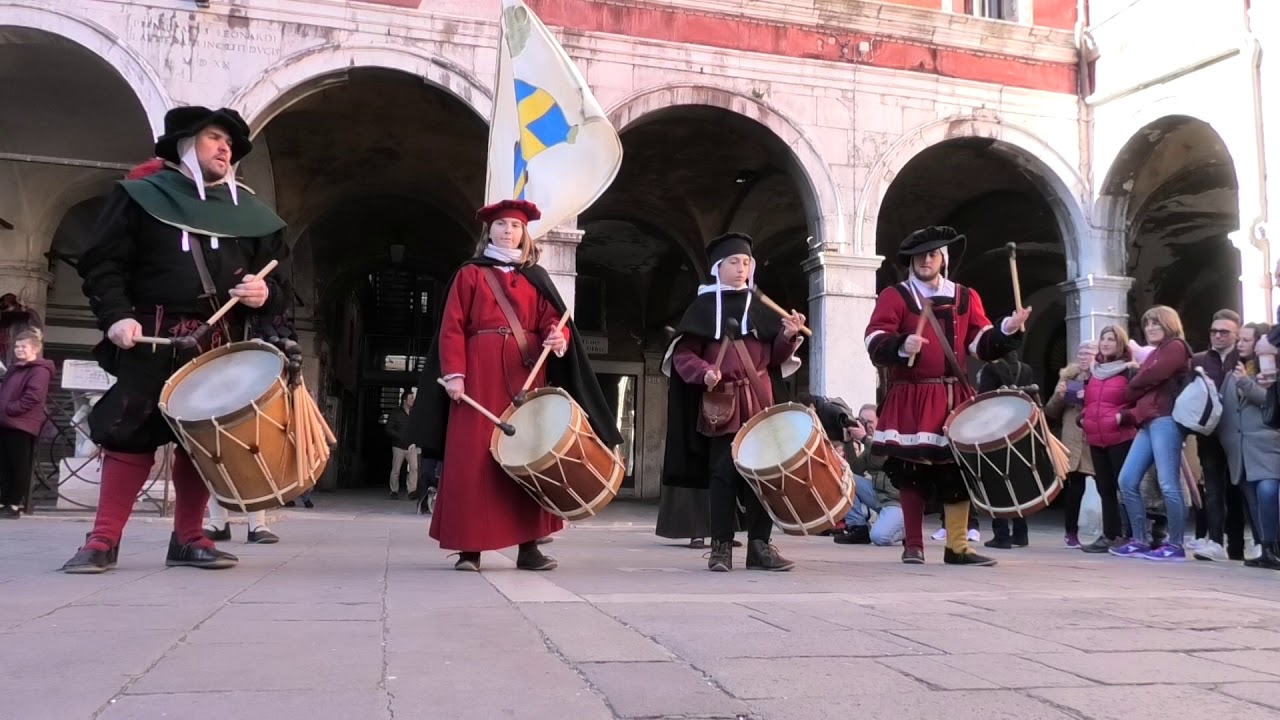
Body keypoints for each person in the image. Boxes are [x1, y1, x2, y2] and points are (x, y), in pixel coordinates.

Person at [59, 106, 297, 573]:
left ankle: (190, 538)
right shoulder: (139, 197)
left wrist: (264, 292)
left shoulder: (249, 211)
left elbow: (282, 284)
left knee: (205, 441)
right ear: (186, 144)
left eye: (229, 142)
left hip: (220, 342)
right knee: (128, 433)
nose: (224, 147)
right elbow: (104, 265)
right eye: (213, 138)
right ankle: (103, 539)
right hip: (151, 335)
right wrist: (116, 317)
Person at [407, 199, 621, 572]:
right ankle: (469, 549)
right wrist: (455, 374)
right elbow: (453, 327)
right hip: (477, 375)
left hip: (526, 373)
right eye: (502, 225)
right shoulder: (470, 274)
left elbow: (554, 323)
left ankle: (529, 547)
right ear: (489, 230)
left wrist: (558, 339)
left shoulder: (536, 276)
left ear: (525, 234)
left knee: (528, 456)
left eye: (516, 226)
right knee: (473, 457)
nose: (509, 231)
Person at [864, 226, 1029, 566]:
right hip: (912, 395)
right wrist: (900, 345)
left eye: (934, 254)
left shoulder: (965, 296)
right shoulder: (896, 296)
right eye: (921, 255)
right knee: (912, 472)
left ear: (943, 259)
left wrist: (1007, 330)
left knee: (959, 471)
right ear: (911, 261)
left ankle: (958, 546)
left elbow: (980, 345)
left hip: (954, 396)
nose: (927, 259)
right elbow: (874, 337)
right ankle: (913, 546)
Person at [661, 232, 805, 572]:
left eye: (745, 263)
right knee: (723, 475)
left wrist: (787, 335)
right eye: (733, 263)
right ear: (717, 268)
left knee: (762, 477)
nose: (741, 269)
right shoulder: (703, 307)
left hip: (758, 400)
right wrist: (704, 372)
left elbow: (773, 357)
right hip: (721, 404)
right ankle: (721, 547)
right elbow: (683, 355)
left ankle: (759, 546)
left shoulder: (760, 306)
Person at [1110, 306, 1193, 561]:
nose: (1150, 328)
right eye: (1147, 324)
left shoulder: (1176, 347)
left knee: (1168, 483)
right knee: (1126, 480)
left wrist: (1137, 381)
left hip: (1165, 419)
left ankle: (1176, 545)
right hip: (1148, 420)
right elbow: (1142, 384)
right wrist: (1139, 383)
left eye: (1156, 323)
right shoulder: (1155, 353)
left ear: (1169, 324)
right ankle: (1139, 539)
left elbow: (1153, 376)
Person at [1217, 322, 1280, 569]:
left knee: (1267, 491)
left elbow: (1270, 401)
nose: (1240, 344)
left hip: (1267, 445)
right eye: (1240, 339)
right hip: (1240, 449)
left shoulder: (1269, 369)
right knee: (1252, 499)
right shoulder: (1237, 370)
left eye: (1246, 339)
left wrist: (1245, 383)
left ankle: (1273, 546)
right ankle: (1265, 548)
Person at [1188, 309, 1247, 561]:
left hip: (1238, 433)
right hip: (1209, 435)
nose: (1218, 335)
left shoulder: (1245, 357)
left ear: (1236, 334)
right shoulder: (1199, 360)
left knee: (1238, 489)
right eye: (1214, 331)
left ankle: (1237, 545)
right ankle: (1214, 541)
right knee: (1213, 488)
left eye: (1224, 331)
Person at [1078, 326, 1138, 552]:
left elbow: (1136, 404)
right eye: (1103, 339)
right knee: (1105, 488)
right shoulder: (1094, 371)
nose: (1105, 343)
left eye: (1111, 339)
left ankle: (1133, 534)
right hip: (1096, 437)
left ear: (1120, 343)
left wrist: (1121, 417)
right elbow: (1090, 403)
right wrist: (1083, 419)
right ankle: (1109, 534)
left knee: (1126, 487)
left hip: (1120, 437)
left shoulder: (1129, 372)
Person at [976, 350, 1036, 550]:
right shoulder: (1025, 369)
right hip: (1019, 428)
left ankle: (1001, 535)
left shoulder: (990, 369)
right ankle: (1021, 534)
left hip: (996, 430)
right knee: (1019, 482)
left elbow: (984, 401)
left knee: (997, 483)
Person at [1043, 341, 1098, 549]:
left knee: (1106, 485)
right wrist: (1059, 395)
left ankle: (1114, 531)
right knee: (1075, 487)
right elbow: (1050, 411)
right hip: (1074, 438)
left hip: (1095, 434)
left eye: (1089, 353)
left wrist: (1090, 396)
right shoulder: (1068, 377)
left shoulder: (1102, 376)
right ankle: (1071, 532)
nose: (1085, 357)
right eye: (1081, 353)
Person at [0, 329, 53, 517]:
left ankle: (14, 504)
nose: (19, 349)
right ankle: (3, 502)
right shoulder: (16, 369)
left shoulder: (39, 370)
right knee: (5, 464)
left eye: (23, 346)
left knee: (18, 464)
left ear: (35, 349)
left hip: (21, 423)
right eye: (16, 346)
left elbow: (33, 396)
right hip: (7, 422)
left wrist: (10, 409)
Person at [385, 389, 419, 500]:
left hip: (412, 446)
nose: (413, 400)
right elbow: (388, 429)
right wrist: (401, 437)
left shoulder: (415, 413)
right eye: (411, 398)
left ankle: (412, 491)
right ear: (405, 400)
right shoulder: (395, 413)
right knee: (396, 470)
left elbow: (418, 428)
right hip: (398, 446)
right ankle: (394, 491)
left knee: (414, 468)